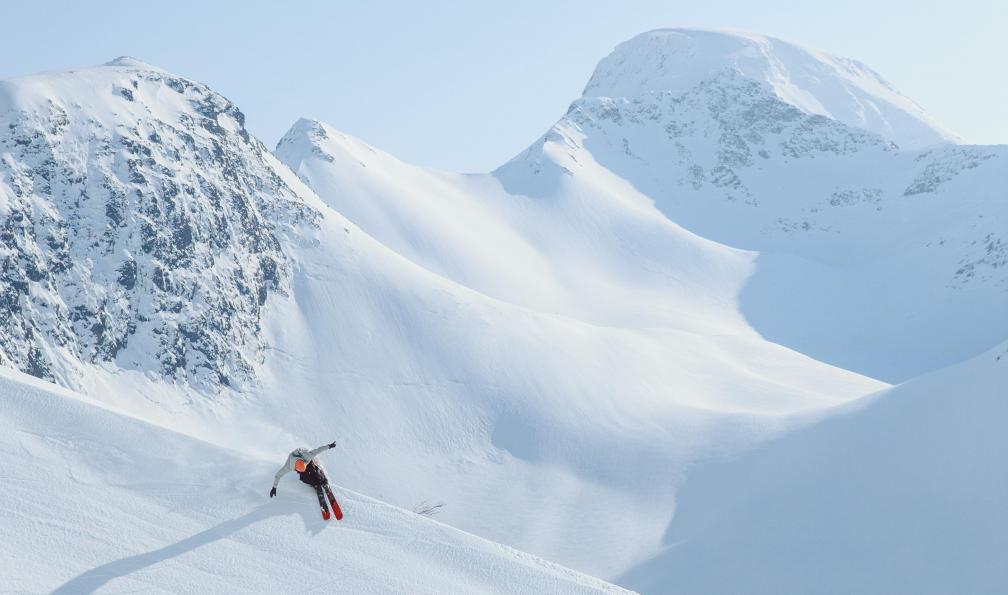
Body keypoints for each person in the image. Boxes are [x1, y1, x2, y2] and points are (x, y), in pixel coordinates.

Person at [269, 441, 337, 498]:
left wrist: (329, 446)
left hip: (306, 457)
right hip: (299, 461)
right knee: (304, 478)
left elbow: (318, 450)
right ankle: (315, 484)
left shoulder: (307, 456)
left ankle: (323, 481)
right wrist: (274, 487)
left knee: (313, 470)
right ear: (296, 469)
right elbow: (278, 475)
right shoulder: (288, 466)